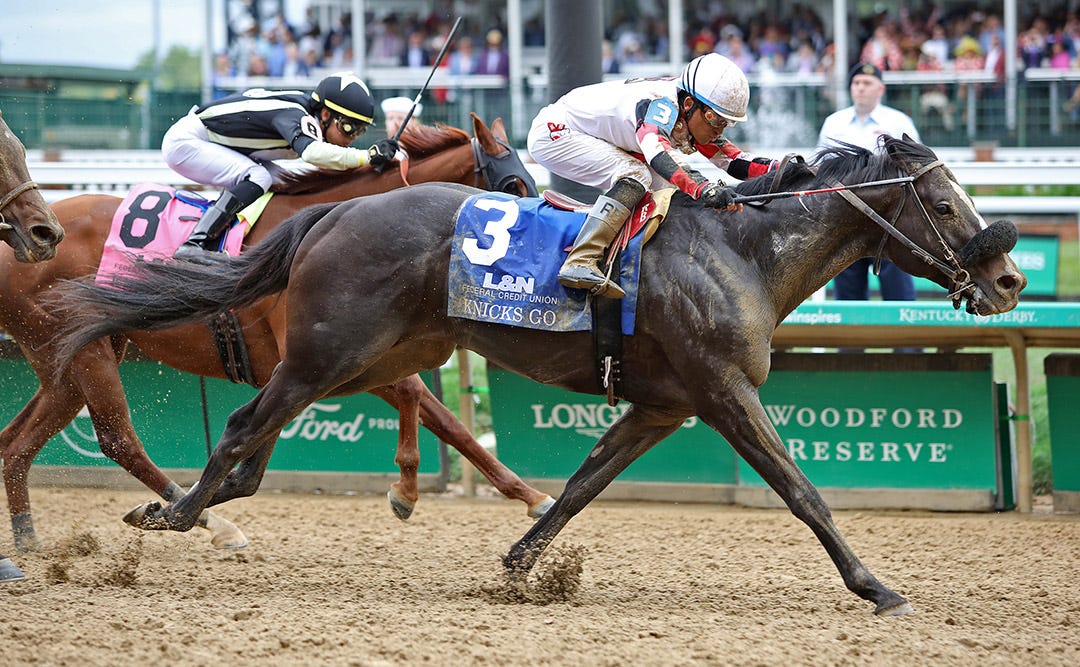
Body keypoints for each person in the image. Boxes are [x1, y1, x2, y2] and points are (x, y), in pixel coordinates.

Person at [528, 53, 779, 298]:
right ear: (690, 104)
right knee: (637, 174)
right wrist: (704, 188)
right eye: (715, 119)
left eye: (727, 123)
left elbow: (733, 161)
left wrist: (784, 168)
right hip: (556, 132)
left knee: (670, 191)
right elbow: (657, 154)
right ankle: (581, 259)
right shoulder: (661, 105)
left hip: (591, 133)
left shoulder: (691, 111)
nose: (720, 129)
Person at [162, 72, 399, 264]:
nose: (353, 137)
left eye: (361, 131)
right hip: (188, 142)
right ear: (325, 114)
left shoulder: (305, 113)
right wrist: (366, 157)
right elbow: (312, 153)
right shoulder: (297, 115)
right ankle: (194, 244)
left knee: (287, 178)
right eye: (349, 128)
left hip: (216, 142)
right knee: (258, 176)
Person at [817, 61, 920, 301]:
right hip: (846, 219)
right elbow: (821, 171)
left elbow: (915, 169)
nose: (860, 88)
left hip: (891, 220)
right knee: (847, 294)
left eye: (867, 83)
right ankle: (849, 339)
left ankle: (908, 338)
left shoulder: (899, 123)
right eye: (856, 83)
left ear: (880, 89)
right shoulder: (834, 123)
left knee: (899, 293)